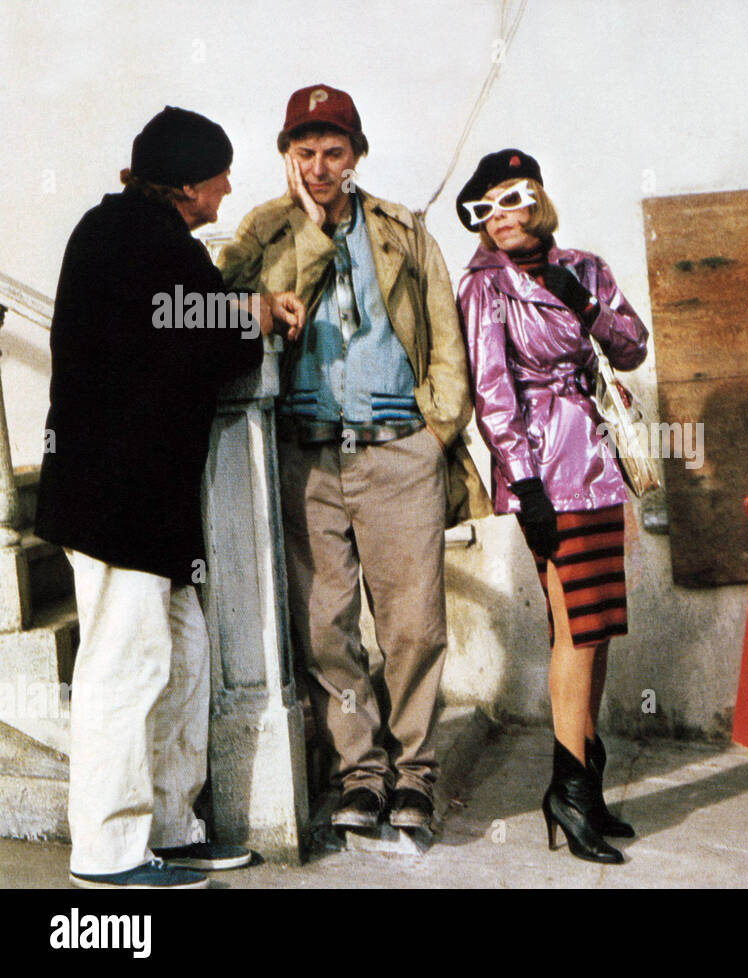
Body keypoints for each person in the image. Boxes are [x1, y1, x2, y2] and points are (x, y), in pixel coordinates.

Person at [36, 106, 304, 888]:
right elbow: (199, 337)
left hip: (146, 501)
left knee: (181, 657)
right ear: (188, 183)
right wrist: (253, 314)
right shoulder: (136, 240)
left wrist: (241, 311)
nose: (228, 187)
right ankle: (108, 852)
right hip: (113, 501)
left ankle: (173, 828)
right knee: (125, 668)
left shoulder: (136, 236)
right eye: (220, 172)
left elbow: (182, 325)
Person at [219, 85, 490, 833]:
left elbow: (446, 339)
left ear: (357, 155)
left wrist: (435, 433)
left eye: (332, 151)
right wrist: (306, 230)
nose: (317, 166)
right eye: (302, 152)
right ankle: (360, 775)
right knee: (325, 630)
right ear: (285, 159)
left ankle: (415, 775)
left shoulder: (403, 231)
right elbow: (223, 308)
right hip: (307, 459)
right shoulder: (265, 233)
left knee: (413, 628)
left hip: (397, 454)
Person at [455, 149, 649, 864]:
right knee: (574, 626)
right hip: (544, 472)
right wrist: (525, 485)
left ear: (535, 200)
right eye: (485, 209)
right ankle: (566, 792)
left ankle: (585, 785)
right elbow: (492, 391)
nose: (500, 217)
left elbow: (631, 350)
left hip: (597, 467)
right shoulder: (484, 287)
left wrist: (586, 302)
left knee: (597, 628)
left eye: (511, 200)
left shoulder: (586, 267)